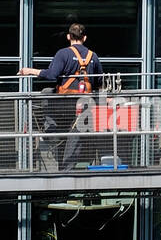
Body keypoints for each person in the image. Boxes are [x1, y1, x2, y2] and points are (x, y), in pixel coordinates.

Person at [19, 23, 104, 170]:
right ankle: (67, 170)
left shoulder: (63, 53)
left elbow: (52, 75)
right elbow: (99, 82)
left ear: (68, 37)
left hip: (64, 104)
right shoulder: (93, 56)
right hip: (84, 104)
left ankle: (50, 129)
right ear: (84, 38)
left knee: (47, 92)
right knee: (75, 136)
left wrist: (30, 71)